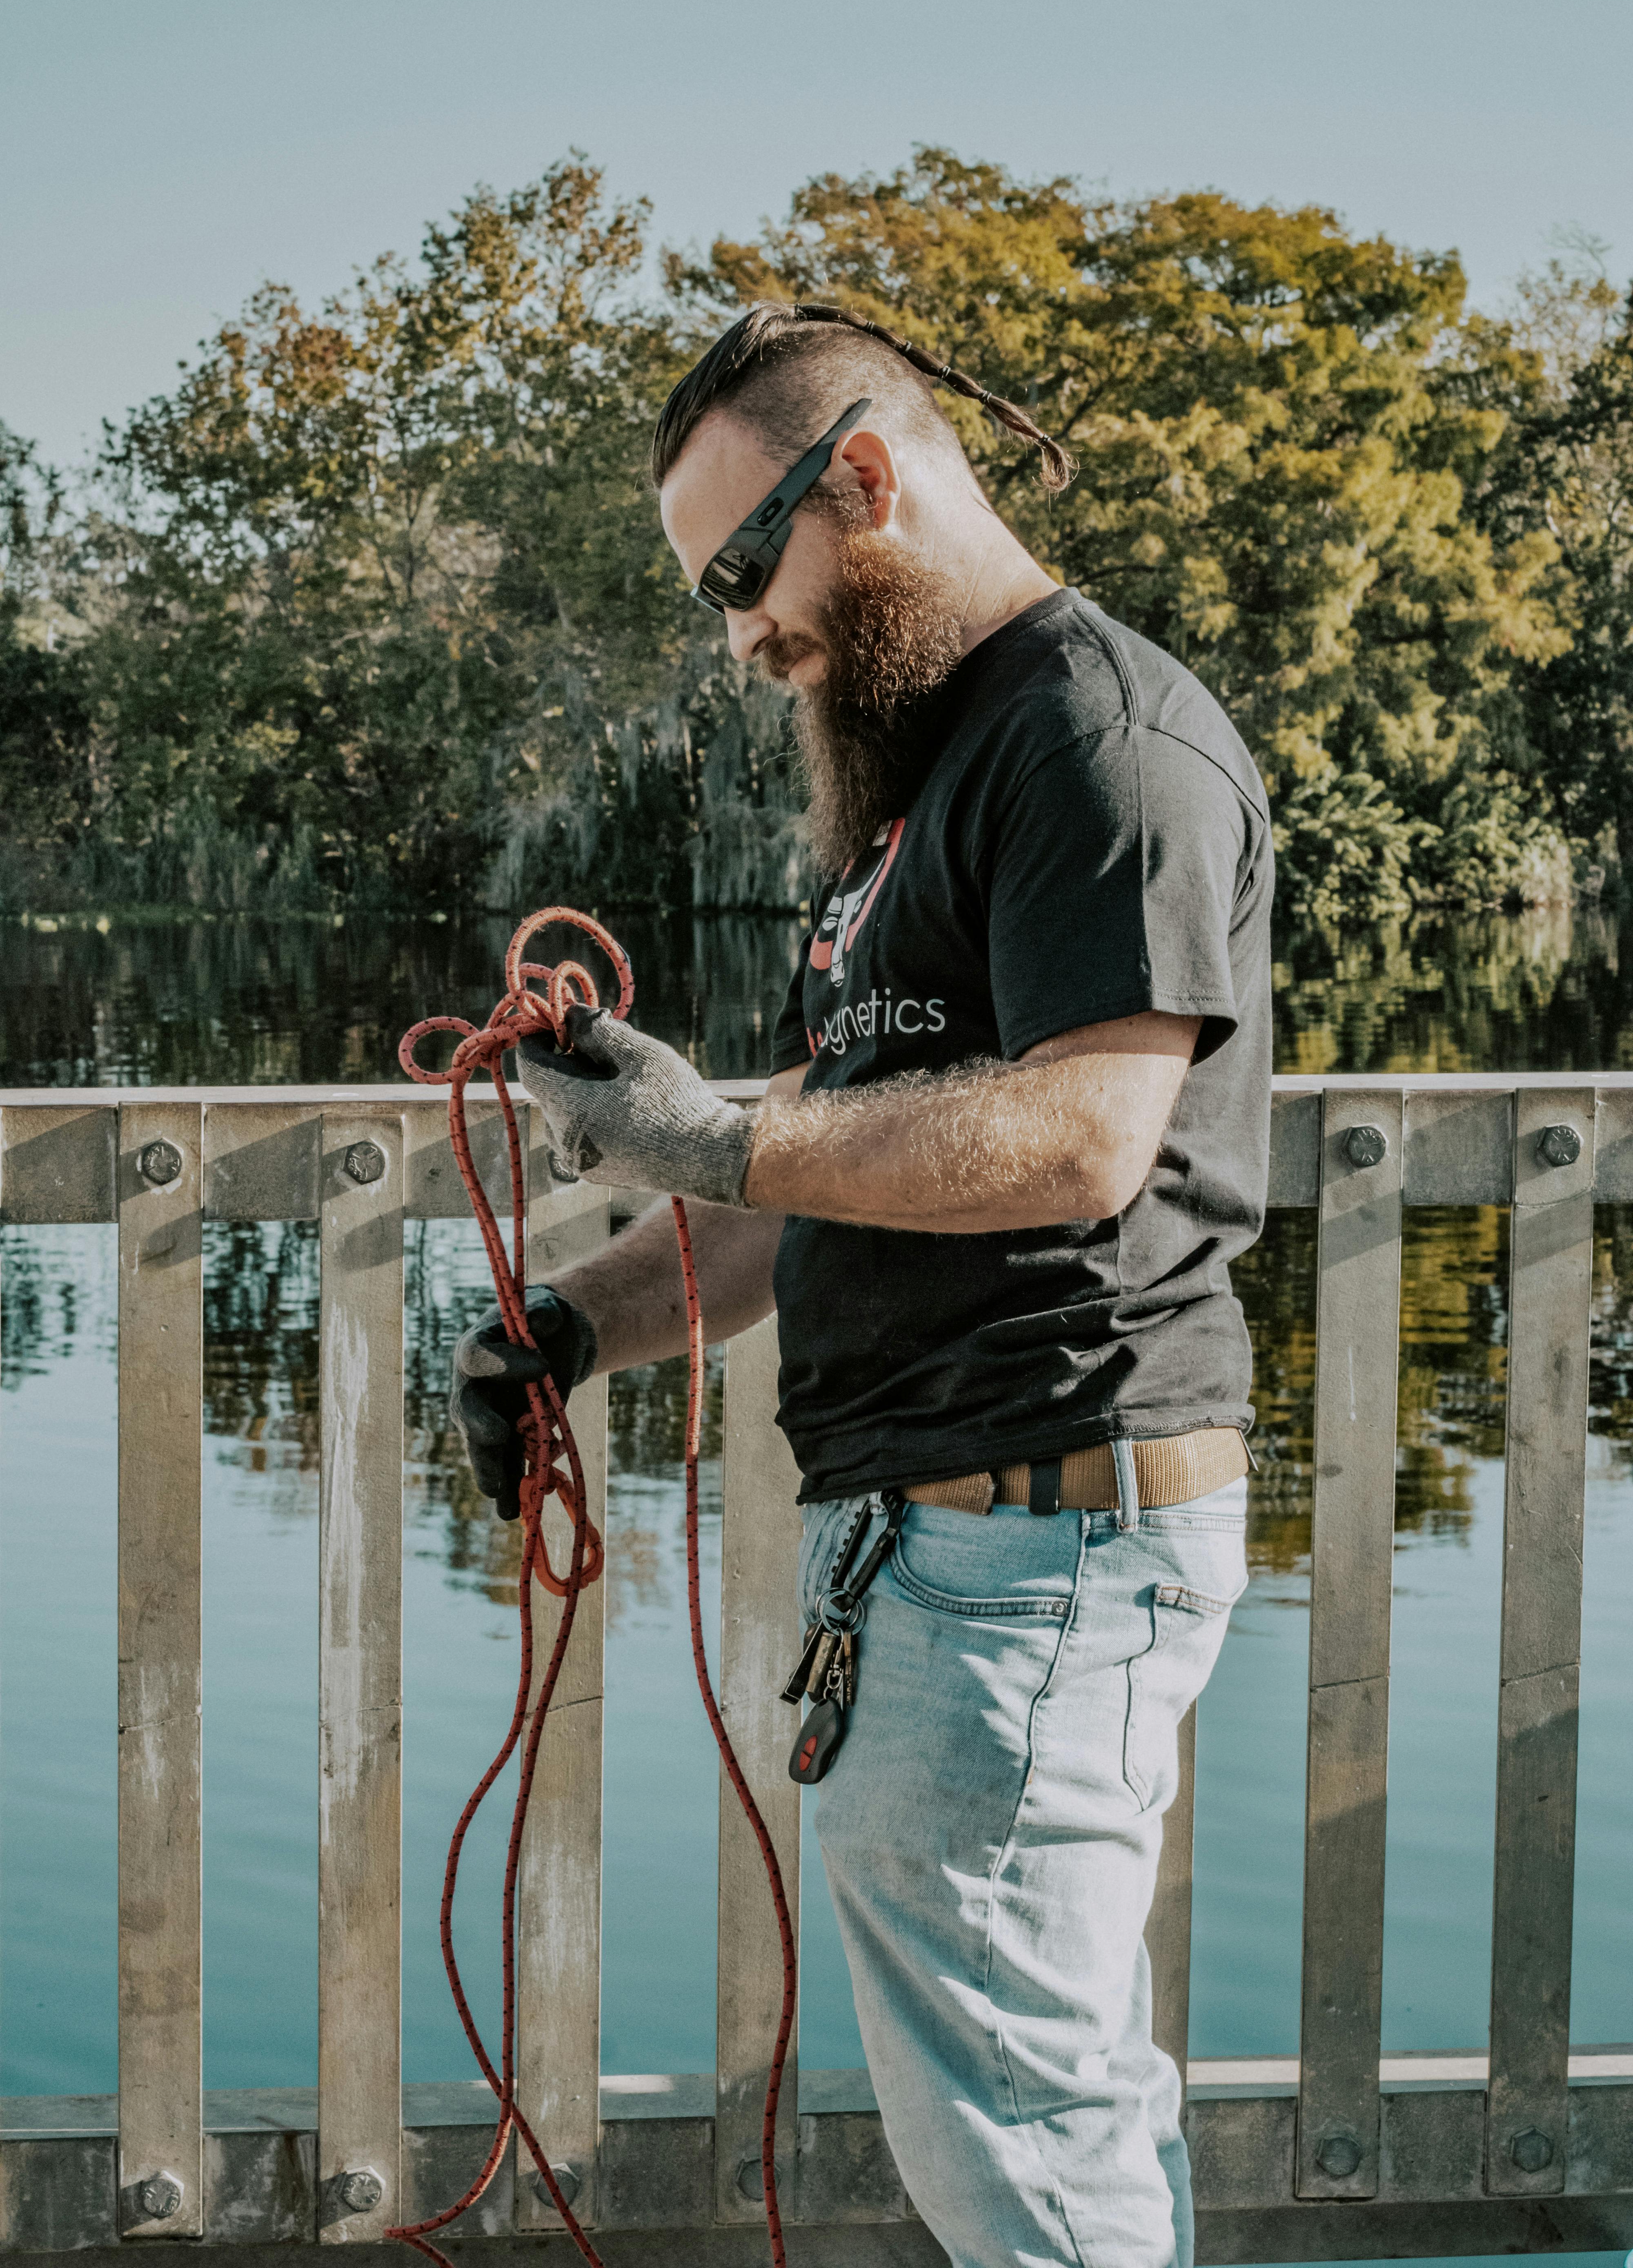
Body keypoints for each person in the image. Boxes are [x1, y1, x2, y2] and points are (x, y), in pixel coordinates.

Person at [450, 302, 1273, 2268]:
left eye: (746, 572)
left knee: (1024, 2153)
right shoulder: (926, 773)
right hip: (970, 1553)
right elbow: (838, 1174)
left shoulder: (1097, 741)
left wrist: (709, 1132)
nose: (739, 633)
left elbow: (1080, 1136)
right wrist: (571, 1325)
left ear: (870, 481)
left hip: (1038, 1545)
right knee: (1058, 2111)